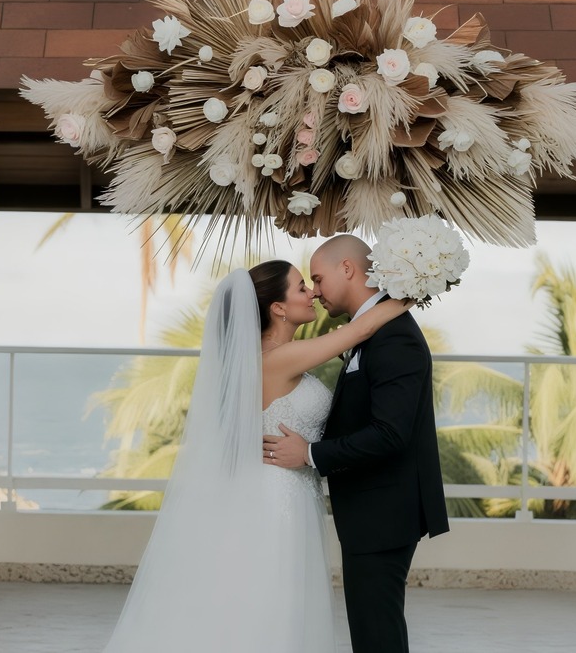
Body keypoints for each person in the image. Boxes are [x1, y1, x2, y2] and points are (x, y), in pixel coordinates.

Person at [102, 261, 410, 653]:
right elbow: (361, 328)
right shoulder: (279, 358)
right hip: (276, 495)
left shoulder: (271, 356)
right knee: (272, 604)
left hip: (285, 487)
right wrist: (418, 283)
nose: (312, 293)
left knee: (269, 603)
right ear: (278, 308)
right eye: (302, 287)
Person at [264, 234, 450, 653]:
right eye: (304, 285)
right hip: (368, 510)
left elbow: (390, 433)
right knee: (373, 630)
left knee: (375, 632)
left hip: (383, 512)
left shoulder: (393, 335)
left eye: (317, 278)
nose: (314, 291)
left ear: (347, 269)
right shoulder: (370, 330)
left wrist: (310, 454)